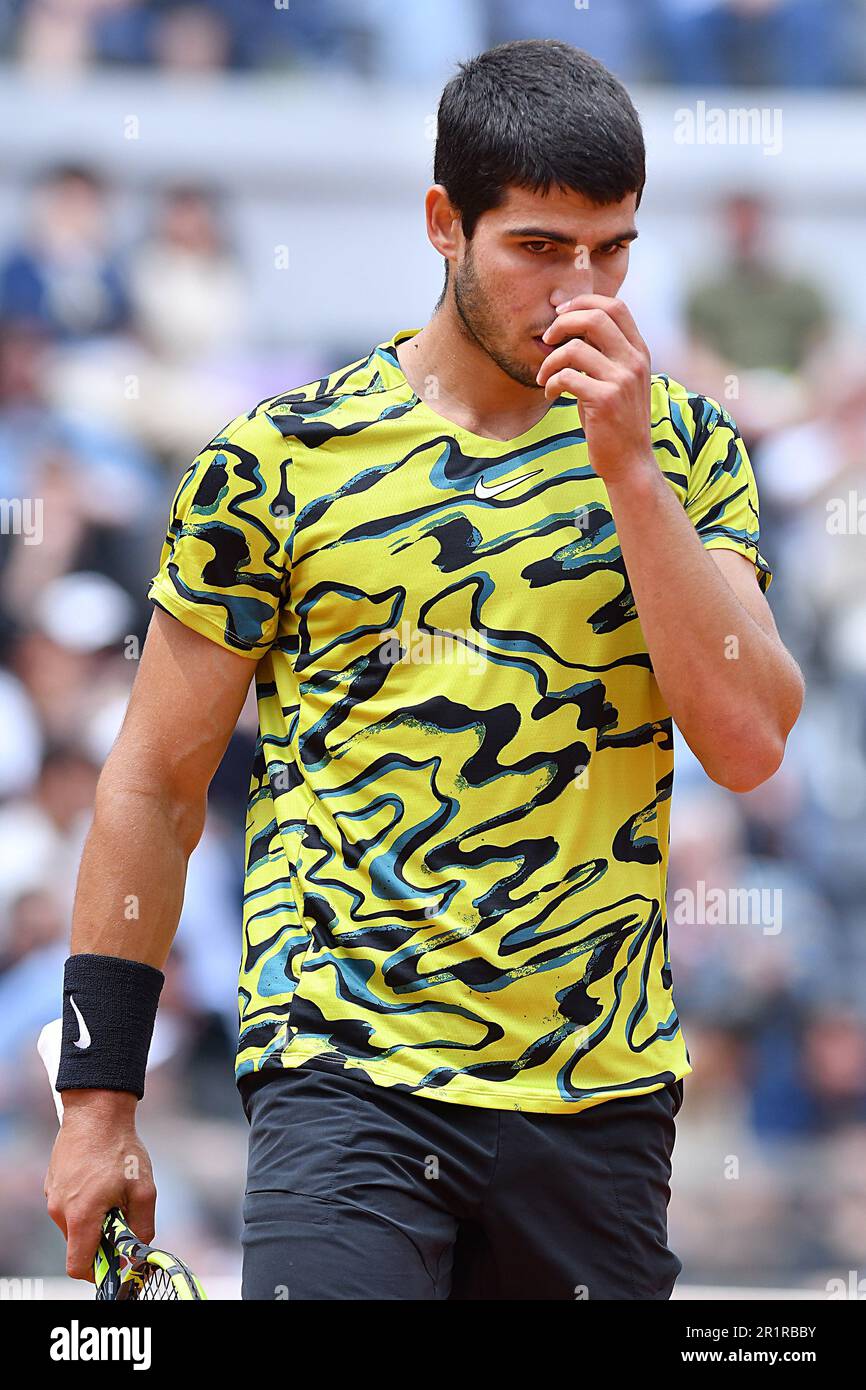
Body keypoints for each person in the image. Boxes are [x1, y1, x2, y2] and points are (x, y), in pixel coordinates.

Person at [44, 39, 804, 1301]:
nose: (580, 293)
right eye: (539, 249)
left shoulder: (683, 449)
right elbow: (152, 787)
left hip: (595, 1090)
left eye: (611, 249)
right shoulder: (278, 459)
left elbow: (747, 741)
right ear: (444, 223)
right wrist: (96, 1098)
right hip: (343, 1073)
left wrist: (626, 469)